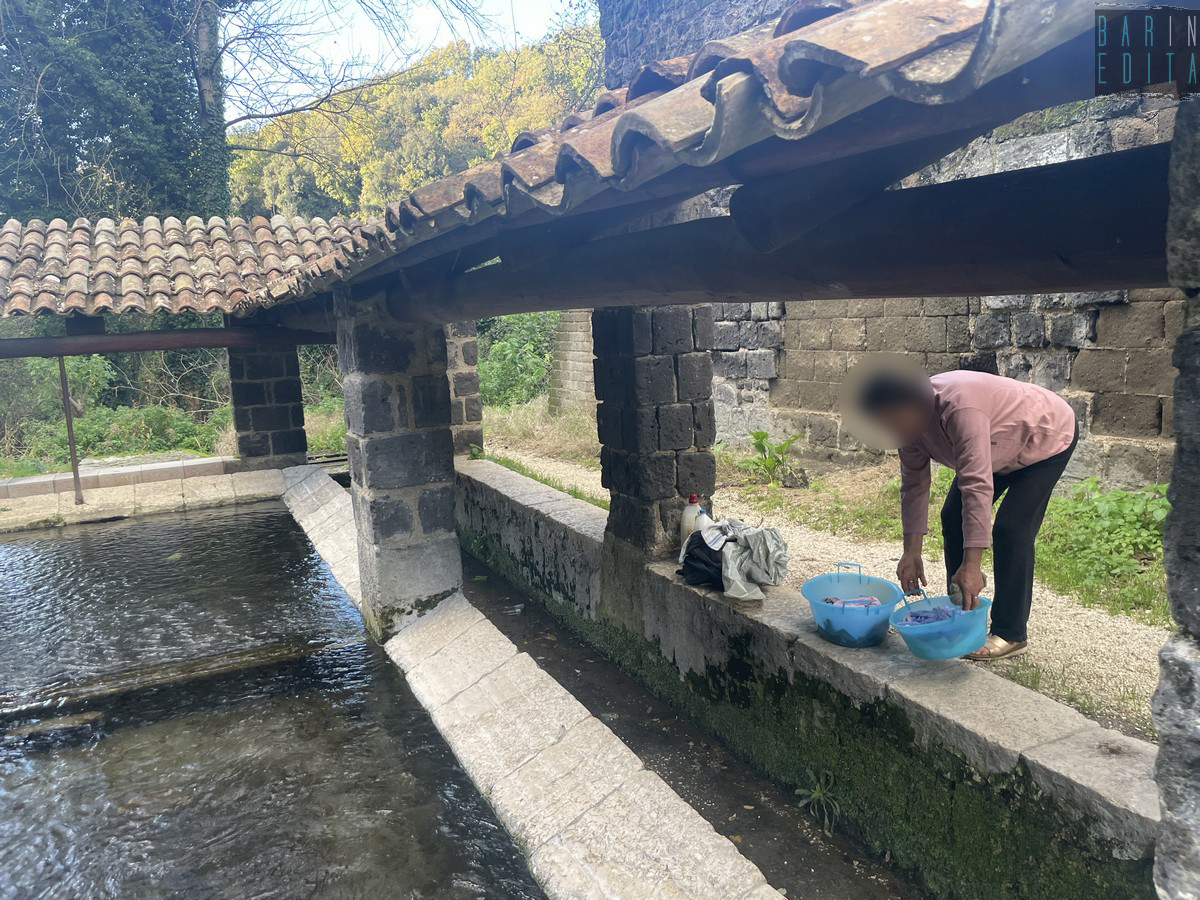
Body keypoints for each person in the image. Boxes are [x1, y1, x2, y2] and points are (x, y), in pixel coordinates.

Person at [846, 360, 1078, 661]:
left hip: (1045, 438)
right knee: (951, 515)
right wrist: (911, 552)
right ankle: (961, 607)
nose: (892, 430)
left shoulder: (959, 409)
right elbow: (914, 486)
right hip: (998, 446)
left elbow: (976, 485)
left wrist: (972, 564)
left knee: (1012, 529)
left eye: (893, 420)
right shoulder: (907, 428)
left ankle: (1011, 632)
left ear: (910, 405)